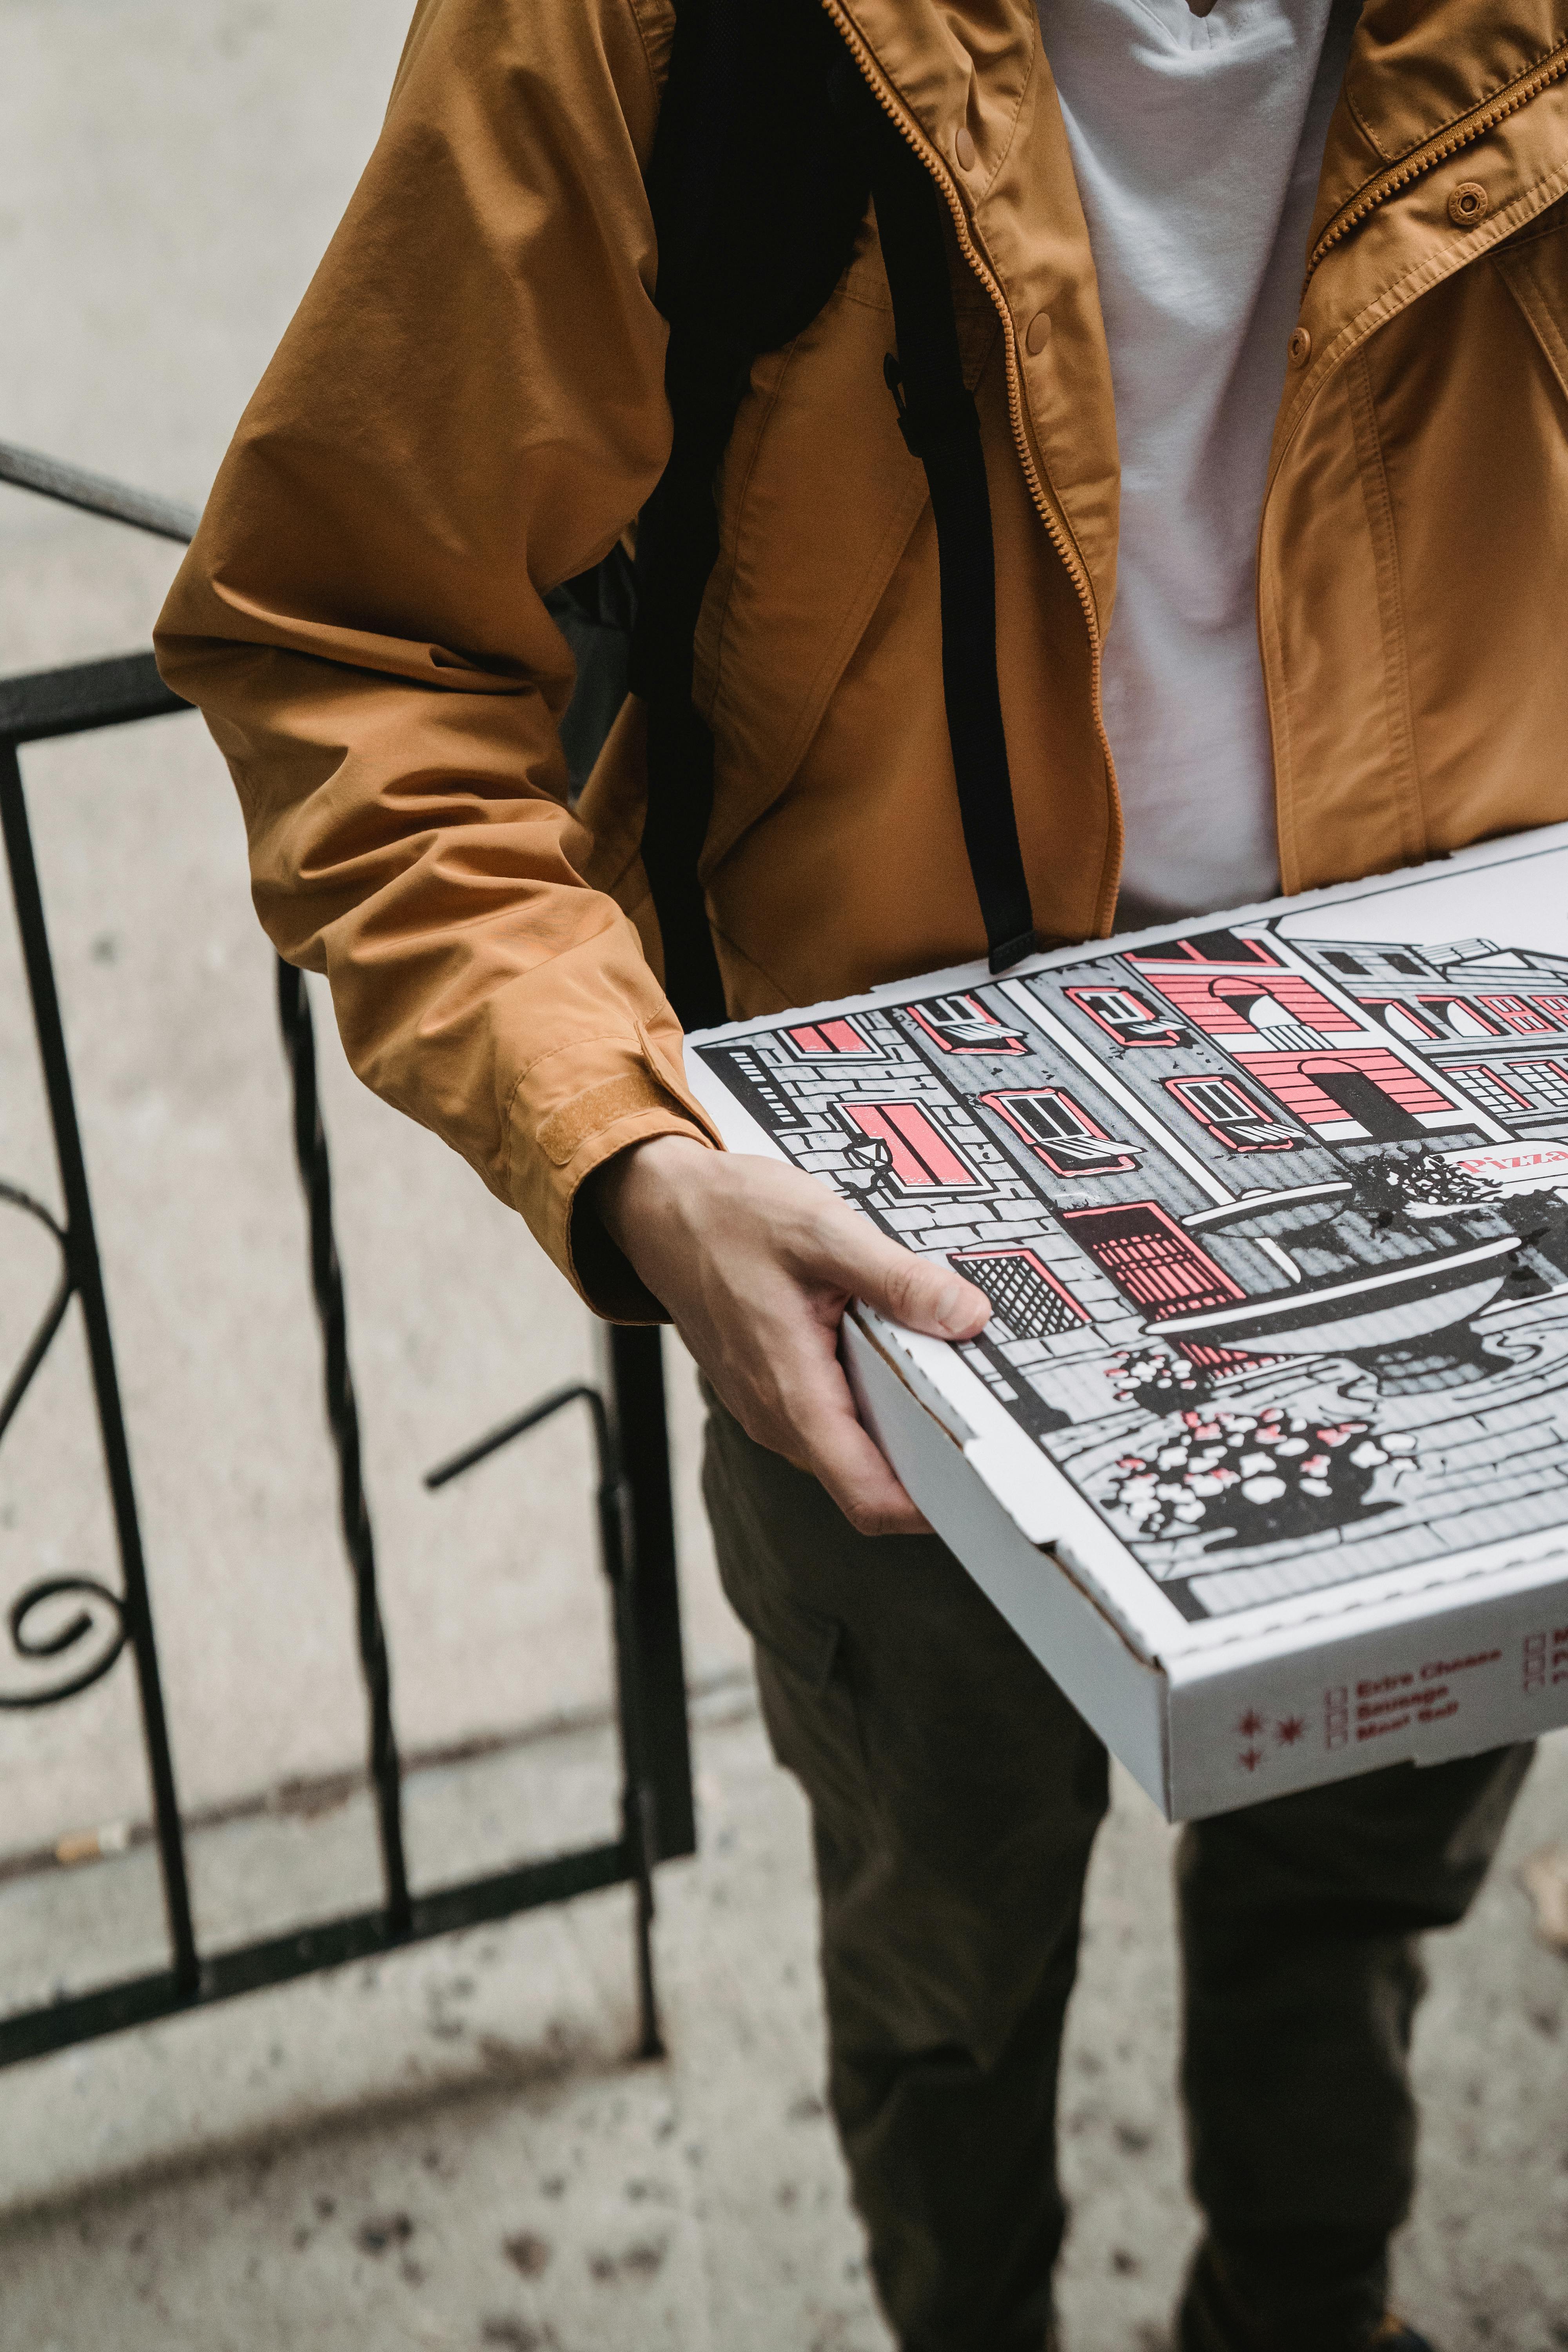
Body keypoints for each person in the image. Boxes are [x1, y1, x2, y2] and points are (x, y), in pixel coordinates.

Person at [155, 0, 1567, 2341]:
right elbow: (350, 644)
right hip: (882, 1288)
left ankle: (1306, 2302)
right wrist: (625, 1154)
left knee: (1362, 1884)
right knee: (945, 1949)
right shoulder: (649, 30)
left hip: (1483, 1225)